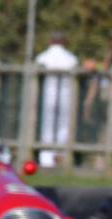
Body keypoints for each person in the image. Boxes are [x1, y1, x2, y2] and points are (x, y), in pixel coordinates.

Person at [35, 32, 77, 168]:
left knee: (47, 127)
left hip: (48, 96)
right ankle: (60, 157)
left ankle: (46, 159)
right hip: (66, 96)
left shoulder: (42, 57)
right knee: (63, 127)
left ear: (50, 41)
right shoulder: (71, 59)